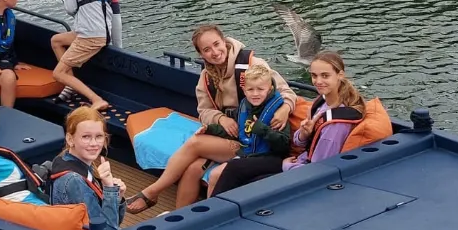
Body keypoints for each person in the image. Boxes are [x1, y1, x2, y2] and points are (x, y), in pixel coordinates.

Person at [126, 24, 296, 213]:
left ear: (225, 41)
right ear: (201, 54)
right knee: (193, 169)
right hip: (229, 133)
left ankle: (152, 192)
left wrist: (285, 109)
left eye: (217, 44)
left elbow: (286, 91)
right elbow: (204, 111)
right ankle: (177, 218)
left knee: (196, 143)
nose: (215, 52)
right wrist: (221, 119)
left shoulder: (252, 65)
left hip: (251, 141)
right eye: (207, 49)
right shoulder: (207, 76)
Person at [211, 50, 366, 196]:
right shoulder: (322, 103)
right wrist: (304, 133)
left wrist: (287, 165)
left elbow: (319, 169)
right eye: (314, 76)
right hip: (299, 161)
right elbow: (299, 140)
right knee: (238, 173)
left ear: (340, 75)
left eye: (325, 76)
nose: (318, 81)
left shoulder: (335, 125)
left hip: (304, 173)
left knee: (241, 175)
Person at [51, 0, 122, 112]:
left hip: (89, 36)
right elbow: (117, 21)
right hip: (102, 36)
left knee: (58, 73)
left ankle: (96, 99)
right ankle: (71, 84)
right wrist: (118, 48)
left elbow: (70, 8)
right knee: (56, 40)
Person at [204, 63, 290, 195]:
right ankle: (209, 210)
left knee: (228, 170)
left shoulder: (277, 112)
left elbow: (283, 146)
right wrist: (210, 129)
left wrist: (262, 130)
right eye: (250, 90)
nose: (255, 94)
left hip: (271, 158)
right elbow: (238, 132)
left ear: (270, 89)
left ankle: (215, 212)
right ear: (244, 90)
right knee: (214, 174)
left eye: (260, 89)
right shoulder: (245, 106)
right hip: (249, 154)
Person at [48, 107, 126, 230]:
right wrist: (108, 189)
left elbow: (114, 222)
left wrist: (118, 197)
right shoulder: (74, 180)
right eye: (86, 137)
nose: (94, 143)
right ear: (70, 139)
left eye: (99, 136)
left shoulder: (66, 160)